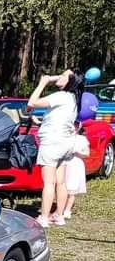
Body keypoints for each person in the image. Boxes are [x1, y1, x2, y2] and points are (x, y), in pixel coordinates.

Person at [28, 69, 83, 227]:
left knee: (49, 182)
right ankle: (59, 215)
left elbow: (32, 103)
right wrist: (42, 122)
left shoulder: (61, 96)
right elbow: (59, 119)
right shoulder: (73, 99)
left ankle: (44, 218)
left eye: (64, 75)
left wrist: (42, 83)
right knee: (61, 182)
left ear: (70, 82)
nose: (60, 76)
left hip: (52, 143)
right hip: (65, 144)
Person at [63, 121, 88, 219]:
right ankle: (60, 207)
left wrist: (78, 152)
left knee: (72, 188)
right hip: (64, 163)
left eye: (76, 126)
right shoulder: (63, 138)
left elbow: (87, 154)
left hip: (75, 165)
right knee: (62, 185)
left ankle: (67, 210)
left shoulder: (82, 139)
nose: (74, 127)